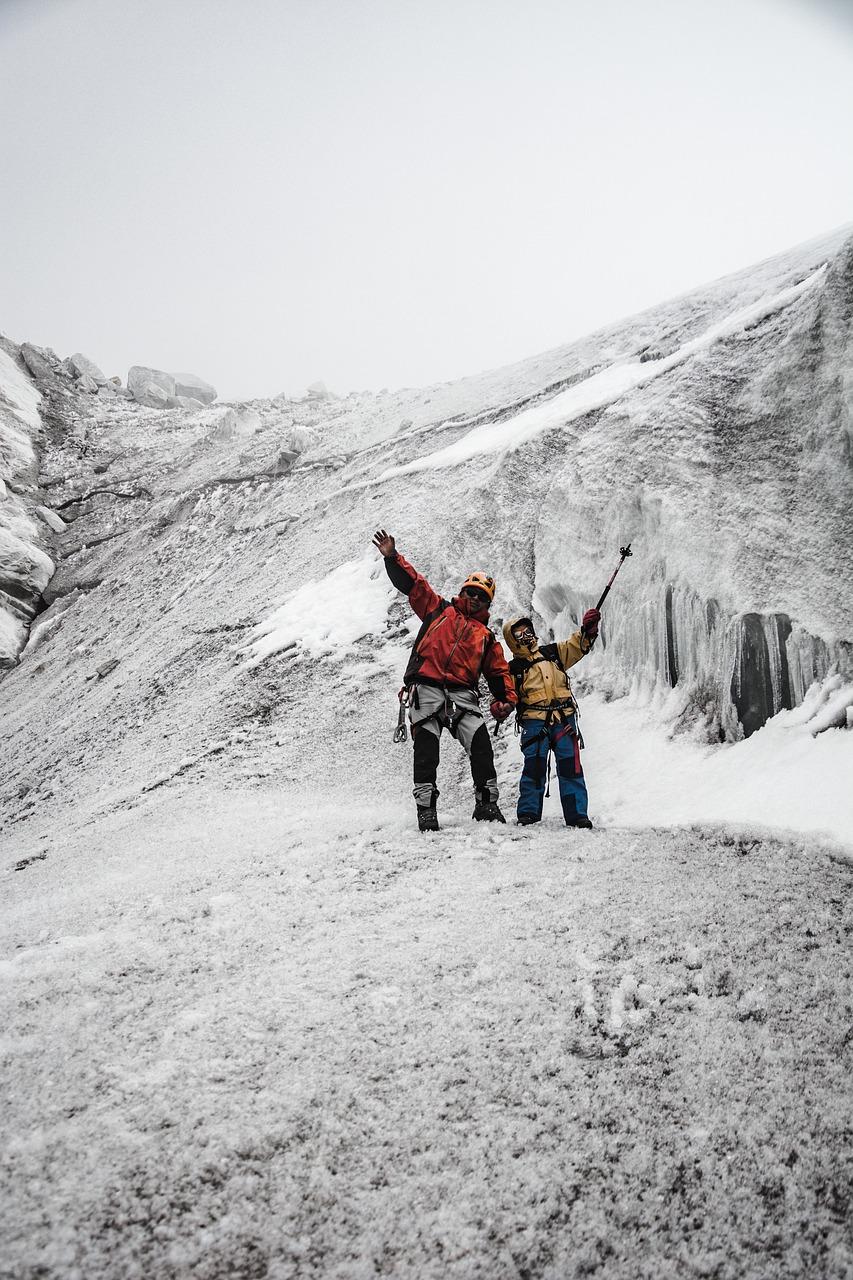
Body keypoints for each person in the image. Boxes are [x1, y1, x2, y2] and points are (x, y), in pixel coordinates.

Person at [372, 529, 516, 831]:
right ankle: (426, 810)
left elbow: (498, 673)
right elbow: (413, 585)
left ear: (487, 604)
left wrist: (505, 701)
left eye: (481, 596)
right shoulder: (439, 610)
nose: (475, 599)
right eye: (471, 592)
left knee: (481, 747)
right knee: (426, 752)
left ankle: (487, 804)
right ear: (462, 592)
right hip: (426, 690)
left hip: (463, 695)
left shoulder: (487, 638)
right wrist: (393, 558)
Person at [502, 609, 601, 828]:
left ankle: (577, 815)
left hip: (564, 718)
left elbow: (575, 646)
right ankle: (528, 814)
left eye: (527, 630)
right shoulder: (512, 670)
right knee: (534, 768)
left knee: (570, 768)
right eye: (519, 634)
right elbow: (504, 693)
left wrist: (587, 631)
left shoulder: (553, 653)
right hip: (534, 722)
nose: (526, 635)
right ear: (512, 641)